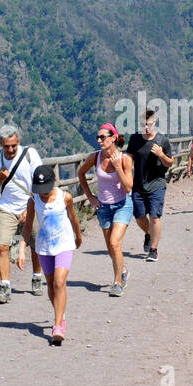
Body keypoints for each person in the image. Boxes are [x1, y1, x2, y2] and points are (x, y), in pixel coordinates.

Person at [19, 165, 81, 345]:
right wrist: (22, 248)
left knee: (59, 281)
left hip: (63, 244)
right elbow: (28, 226)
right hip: (44, 247)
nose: (43, 194)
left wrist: (78, 236)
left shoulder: (65, 198)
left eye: (45, 190)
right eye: (40, 191)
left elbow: (73, 218)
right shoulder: (33, 201)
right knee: (51, 285)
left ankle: (58, 325)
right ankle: (60, 315)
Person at [0, 124, 45, 303]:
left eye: (13, 145)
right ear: (0, 144)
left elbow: (39, 182)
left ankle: (36, 277)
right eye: (6, 146)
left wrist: (30, 207)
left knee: (36, 244)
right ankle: (4, 286)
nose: (10, 150)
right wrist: (1, 178)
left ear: (19, 142)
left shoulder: (30, 155)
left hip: (30, 204)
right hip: (6, 207)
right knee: (2, 246)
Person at [78, 122, 134, 296]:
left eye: (103, 137)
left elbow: (128, 188)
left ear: (113, 137)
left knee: (114, 242)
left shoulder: (125, 159)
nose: (99, 140)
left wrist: (118, 168)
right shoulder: (95, 157)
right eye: (98, 137)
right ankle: (123, 270)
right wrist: (90, 196)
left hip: (122, 205)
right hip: (103, 206)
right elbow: (81, 173)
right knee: (111, 248)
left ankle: (117, 282)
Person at [126, 108, 174, 262]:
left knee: (154, 217)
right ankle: (149, 233)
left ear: (154, 122)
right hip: (138, 185)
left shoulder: (162, 140)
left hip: (157, 184)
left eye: (148, 124)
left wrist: (161, 154)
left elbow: (170, 162)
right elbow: (129, 159)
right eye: (143, 124)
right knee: (139, 216)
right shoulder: (135, 139)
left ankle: (153, 250)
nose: (145, 127)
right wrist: (124, 177)